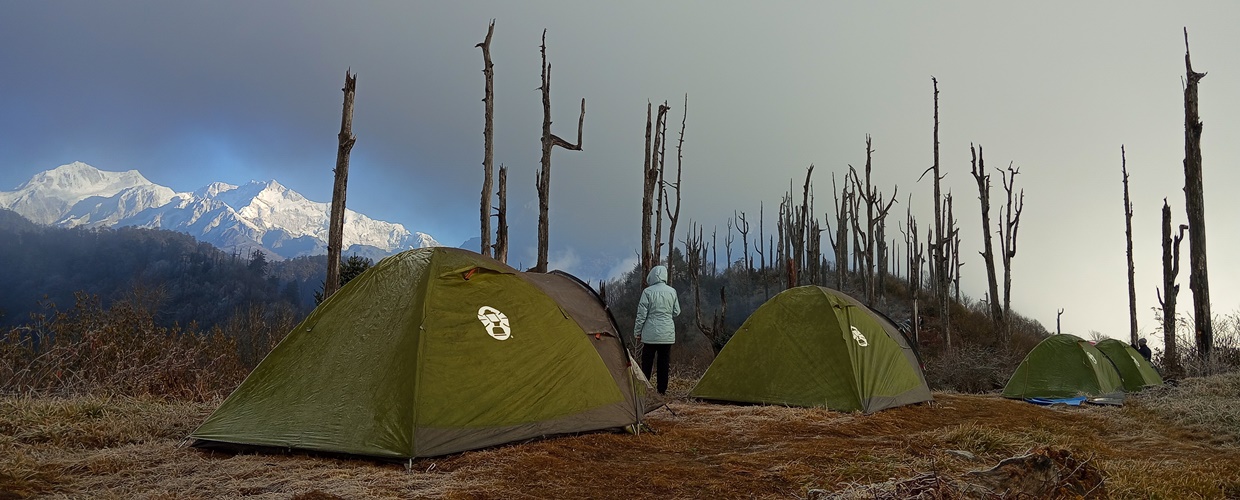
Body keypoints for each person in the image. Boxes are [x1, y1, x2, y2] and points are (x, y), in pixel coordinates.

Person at [634, 265, 680, 395]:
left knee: (647, 362)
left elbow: (641, 314)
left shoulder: (647, 292)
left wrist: (637, 331)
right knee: (664, 362)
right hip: (667, 334)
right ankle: (662, 390)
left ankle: (644, 389)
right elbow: (677, 311)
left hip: (650, 333)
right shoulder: (672, 291)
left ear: (652, 276)